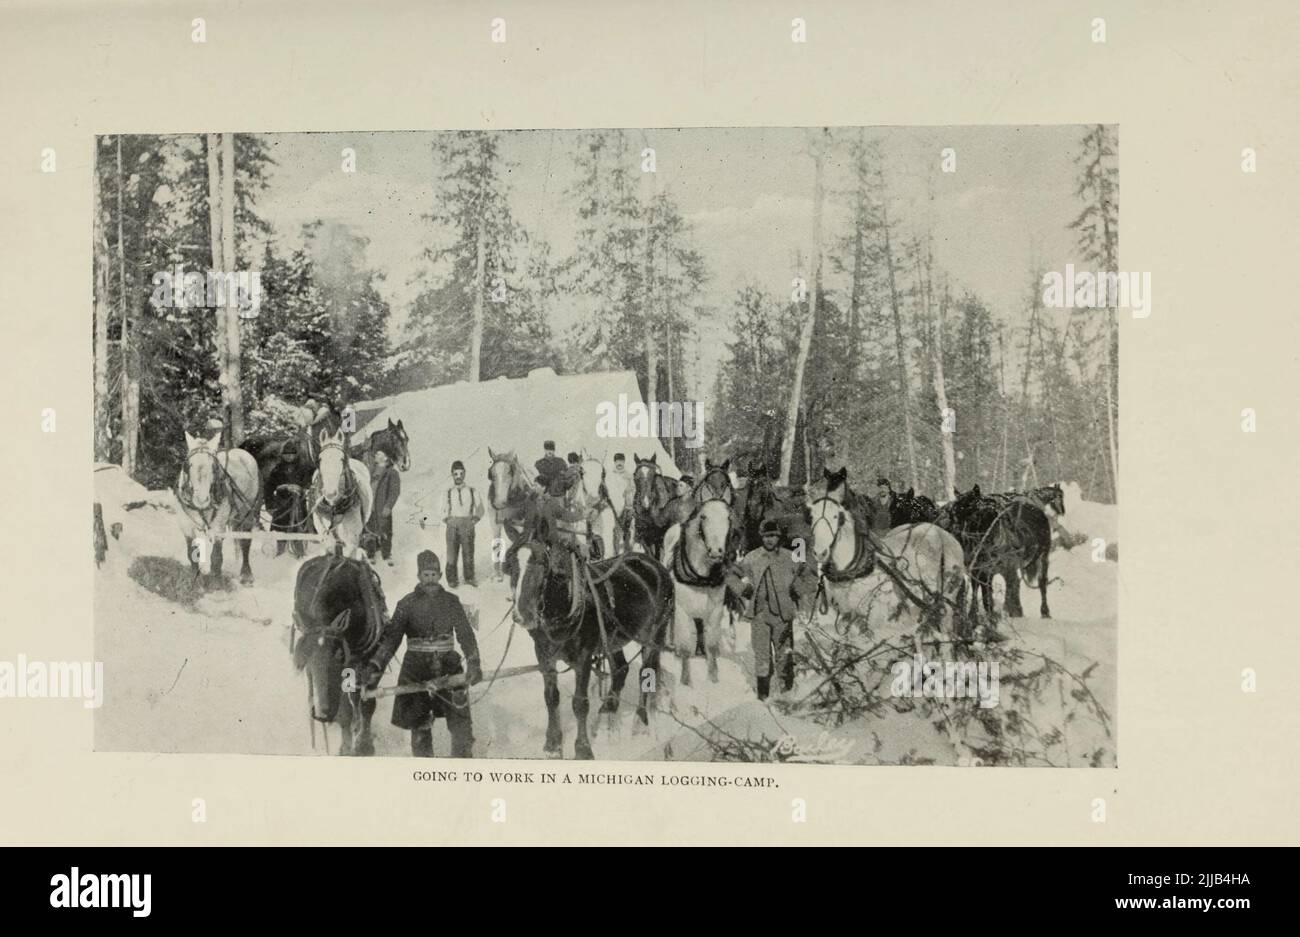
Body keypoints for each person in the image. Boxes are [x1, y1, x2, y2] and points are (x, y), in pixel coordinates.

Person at [364, 550, 481, 758]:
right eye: (426, 575)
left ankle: (463, 765)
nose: (430, 579)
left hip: (449, 667)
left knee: (461, 727)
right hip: (415, 670)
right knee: (420, 730)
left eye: (434, 575)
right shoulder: (406, 604)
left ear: (440, 576)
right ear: (419, 576)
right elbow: (391, 640)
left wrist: (473, 662)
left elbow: (465, 634)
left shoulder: (452, 601)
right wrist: (375, 666)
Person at [736, 518, 818, 700]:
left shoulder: (790, 557)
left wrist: (799, 589)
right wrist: (744, 589)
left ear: (779, 537)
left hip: (783, 615)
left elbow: (809, 576)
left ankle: (787, 693)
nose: (769, 540)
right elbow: (733, 574)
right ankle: (763, 696)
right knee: (762, 655)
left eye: (773, 536)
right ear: (761, 537)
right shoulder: (752, 558)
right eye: (766, 536)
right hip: (760, 615)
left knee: (785, 655)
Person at [440, 459, 484, 588]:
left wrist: (474, 519)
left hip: (467, 525)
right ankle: (452, 580)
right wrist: (447, 520)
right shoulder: (447, 491)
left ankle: (469, 577)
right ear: (452, 474)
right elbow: (442, 509)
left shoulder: (472, 490)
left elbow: (480, 508)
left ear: (464, 474)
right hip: (452, 526)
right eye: (455, 474)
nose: (458, 477)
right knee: (451, 554)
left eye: (461, 473)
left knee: (468, 552)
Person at [365, 449, 401, 565]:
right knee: (369, 531)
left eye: (379, 453)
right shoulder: (371, 470)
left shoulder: (392, 472)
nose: (376, 455)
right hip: (370, 506)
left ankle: (386, 555)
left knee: (385, 531)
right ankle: (370, 554)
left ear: (386, 458)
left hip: (382, 507)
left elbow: (394, 492)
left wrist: (388, 506)